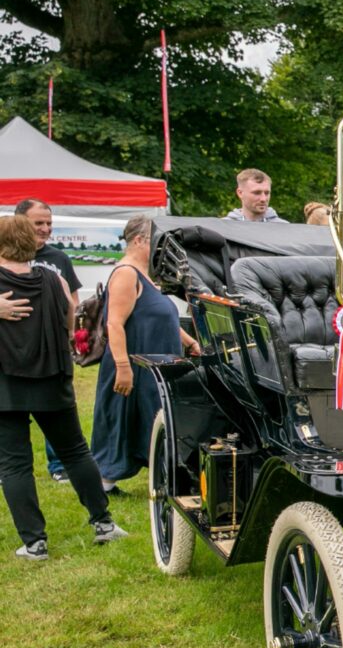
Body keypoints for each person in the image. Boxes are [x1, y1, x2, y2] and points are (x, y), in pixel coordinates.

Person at [0, 215, 127, 560]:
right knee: (74, 451)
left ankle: (34, 543)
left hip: (6, 383)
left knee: (14, 464)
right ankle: (103, 523)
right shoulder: (53, 279)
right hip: (51, 375)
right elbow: (71, 320)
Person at [91, 216, 201, 492]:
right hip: (134, 366)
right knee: (122, 420)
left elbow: (160, 317)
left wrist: (189, 342)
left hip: (155, 364)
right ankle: (104, 483)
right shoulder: (126, 273)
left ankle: (164, 476)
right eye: (156, 240)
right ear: (139, 240)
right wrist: (123, 367)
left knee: (154, 421)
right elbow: (114, 323)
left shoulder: (147, 275)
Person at [17, 199, 82, 482]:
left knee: (55, 407)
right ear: (20, 222)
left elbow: (74, 300)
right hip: (13, 345)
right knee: (11, 408)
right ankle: (11, 467)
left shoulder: (58, 258)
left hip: (53, 346)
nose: (45, 229)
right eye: (38, 223)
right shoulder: (4, 256)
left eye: (49, 223)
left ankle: (59, 466)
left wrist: (73, 333)